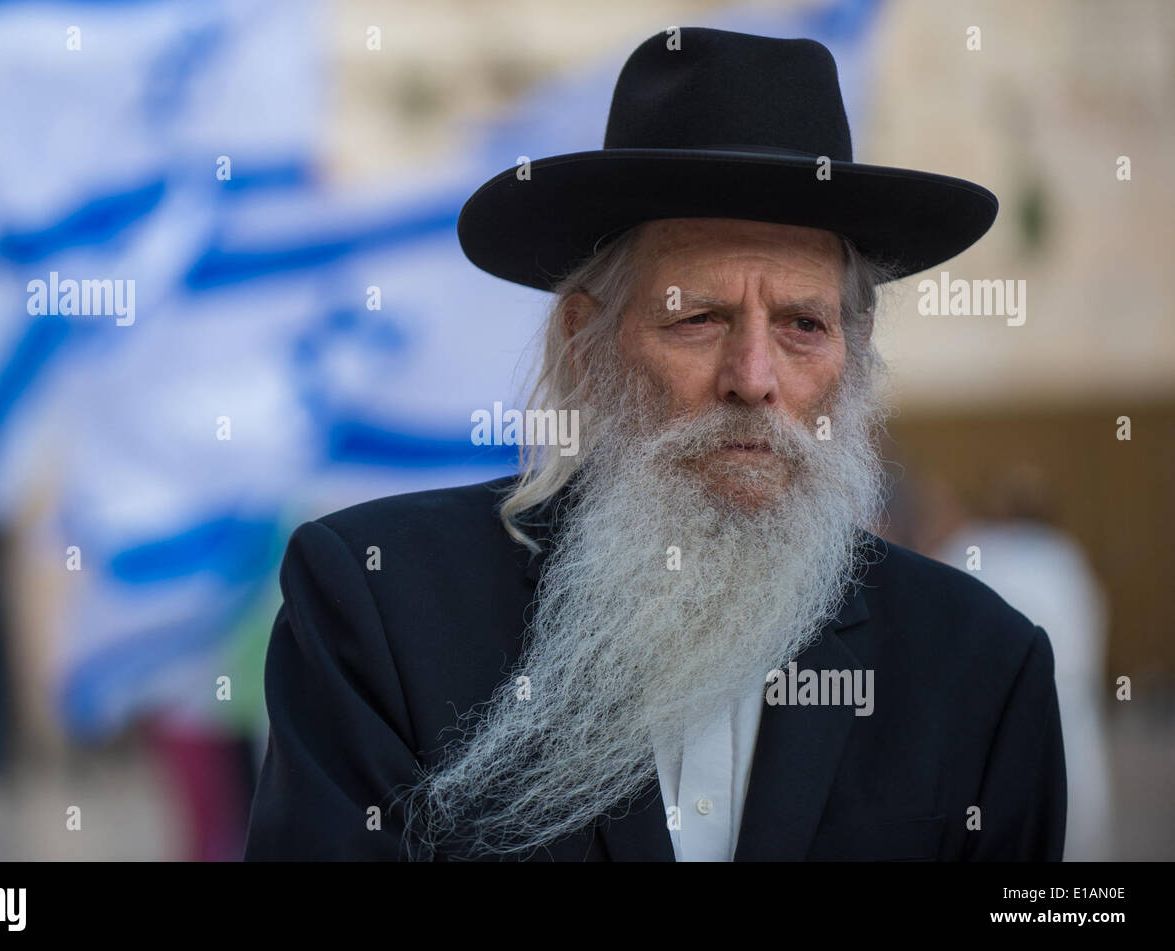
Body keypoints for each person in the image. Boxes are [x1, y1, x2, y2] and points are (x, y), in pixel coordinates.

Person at [245, 28, 1066, 861]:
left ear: (852, 354)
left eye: (803, 326)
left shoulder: (980, 669)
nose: (753, 377)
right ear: (583, 344)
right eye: (698, 318)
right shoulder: (382, 606)